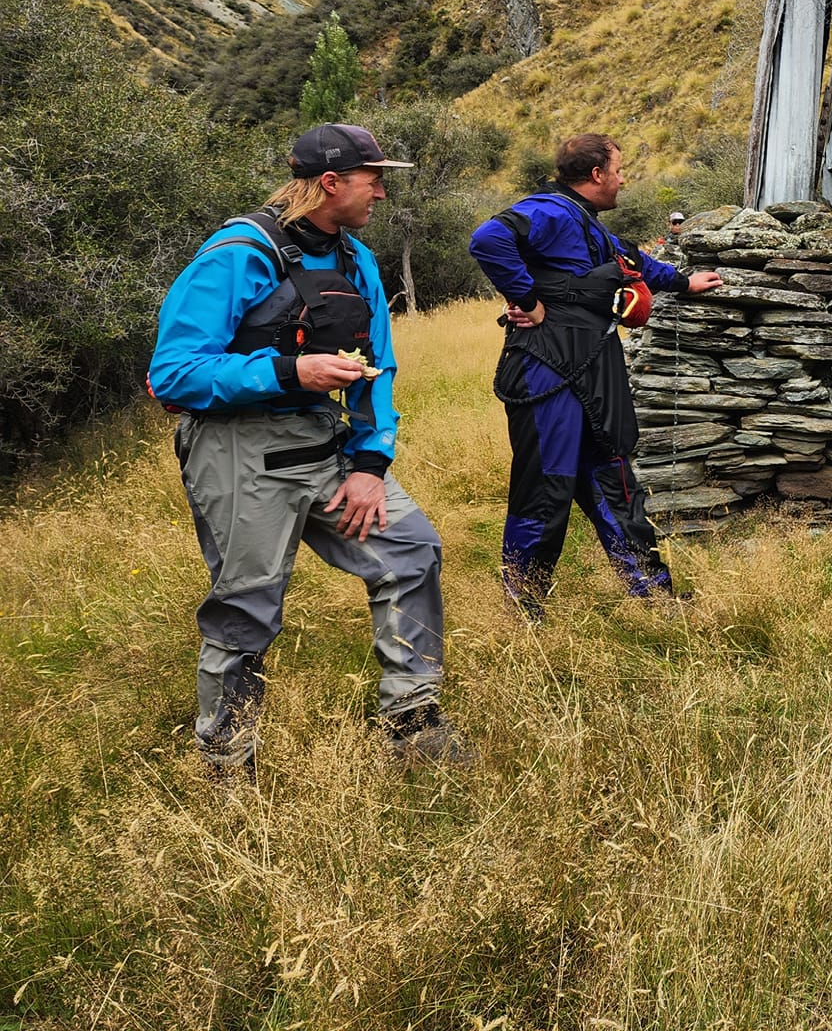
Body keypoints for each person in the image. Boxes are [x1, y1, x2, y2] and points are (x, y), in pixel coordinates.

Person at [150, 123, 467, 774]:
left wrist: (371, 465)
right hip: (237, 449)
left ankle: (412, 723)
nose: (381, 193)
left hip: (324, 445)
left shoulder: (357, 261)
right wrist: (290, 371)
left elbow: (378, 367)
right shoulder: (238, 254)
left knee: (411, 551)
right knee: (247, 605)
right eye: (372, 180)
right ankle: (227, 762)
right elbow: (173, 374)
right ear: (330, 183)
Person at [468, 134, 722, 615]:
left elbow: (634, 264)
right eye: (619, 170)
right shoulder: (550, 211)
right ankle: (522, 608)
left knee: (614, 478)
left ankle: (653, 594)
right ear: (597, 174)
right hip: (546, 374)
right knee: (545, 487)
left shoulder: (589, 225)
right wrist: (527, 300)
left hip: (594, 373)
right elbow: (488, 240)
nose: (623, 179)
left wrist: (684, 282)